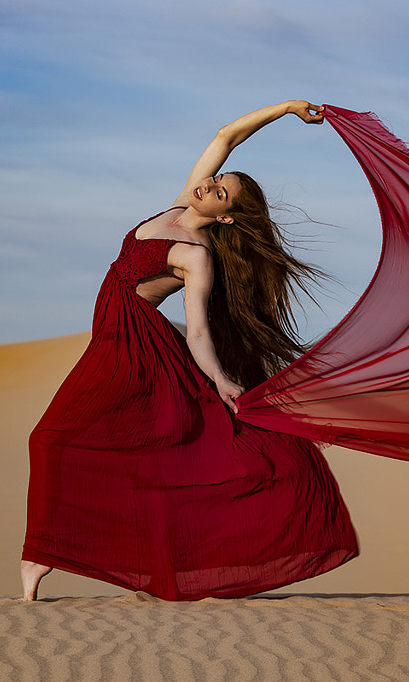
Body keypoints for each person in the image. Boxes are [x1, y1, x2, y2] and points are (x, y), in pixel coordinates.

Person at [20, 101, 359, 601]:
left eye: (221, 192)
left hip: (133, 347)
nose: (210, 185)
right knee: (105, 448)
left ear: (224, 217)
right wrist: (286, 109)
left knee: (51, 438)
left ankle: (41, 557)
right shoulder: (181, 202)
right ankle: (107, 562)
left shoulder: (195, 255)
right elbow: (225, 136)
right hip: (112, 335)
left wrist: (221, 380)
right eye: (217, 179)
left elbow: (198, 332)